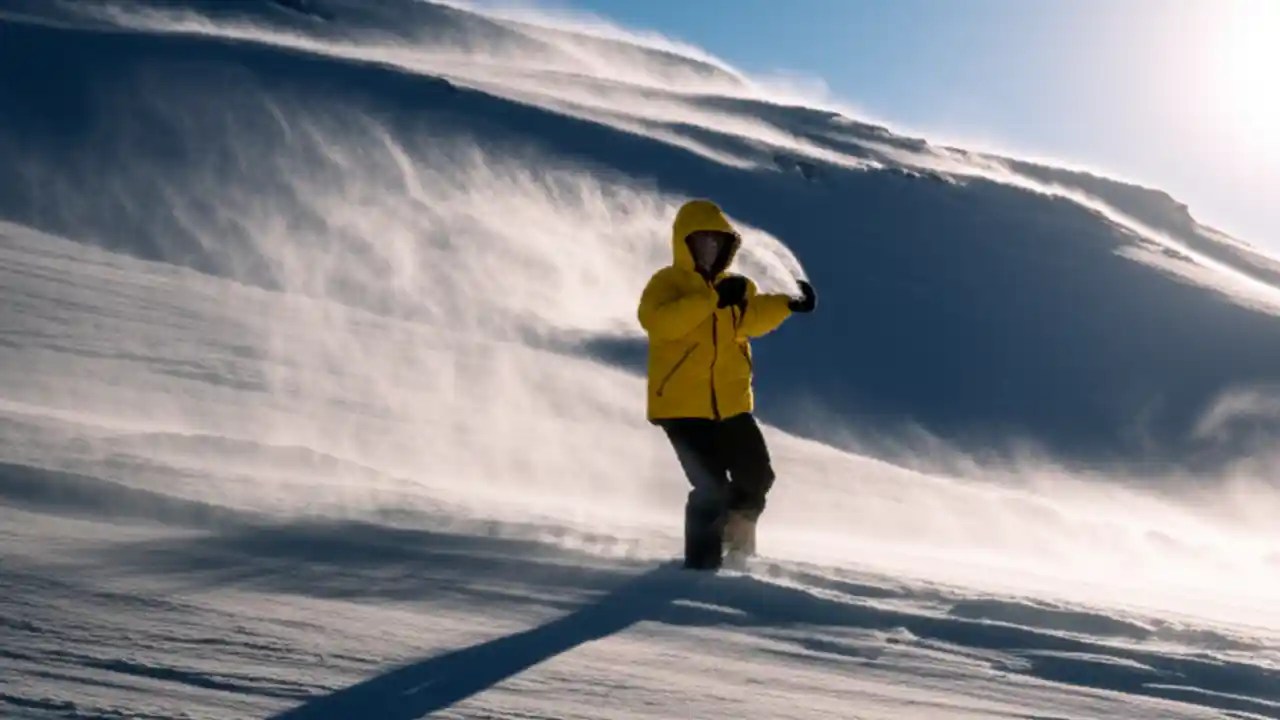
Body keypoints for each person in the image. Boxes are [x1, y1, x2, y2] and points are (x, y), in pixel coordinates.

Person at [637, 199, 816, 570]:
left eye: (717, 242)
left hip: (731, 405)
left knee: (758, 475)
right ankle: (700, 568)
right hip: (681, 409)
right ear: (684, 244)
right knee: (710, 488)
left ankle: (736, 538)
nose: (710, 248)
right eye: (701, 241)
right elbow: (661, 323)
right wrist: (710, 299)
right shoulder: (666, 284)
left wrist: (787, 304)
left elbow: (752, 319)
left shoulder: (737, 288)